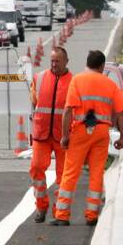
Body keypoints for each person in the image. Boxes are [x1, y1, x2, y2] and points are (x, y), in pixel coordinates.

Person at [52, 50, 123, 226]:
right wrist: (122, 137)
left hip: (80, 130)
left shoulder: (77, 80)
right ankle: (92, 215)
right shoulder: (109, 84)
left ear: (87, 64)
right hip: (102, 131)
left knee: (71, 172)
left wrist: (65, 136)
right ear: (102, 66)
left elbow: (67, 111)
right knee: (96, 173)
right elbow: (121, 114)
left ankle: (62, 215)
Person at [28, 46, 72, 223]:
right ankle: (41, 206)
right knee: (37, 168)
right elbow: (34, 103)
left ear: (66, 62)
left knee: (64, 176)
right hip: (41, 134)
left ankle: (59, 212)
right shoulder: (39, 78)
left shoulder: (73, 82)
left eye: (57, 61)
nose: (54, 64)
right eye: (52, 61)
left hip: (63, 137)